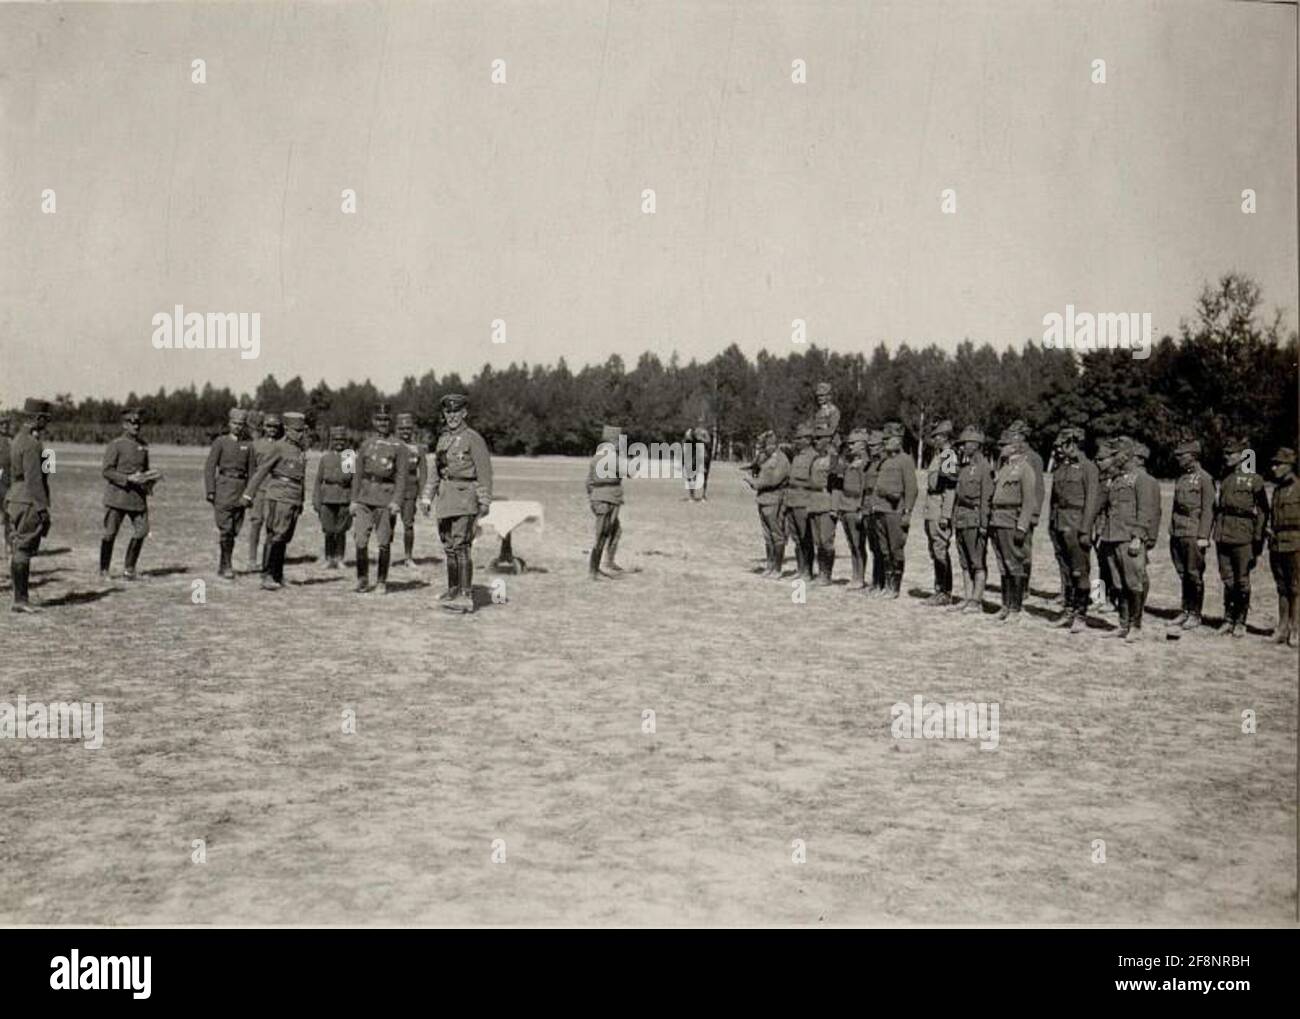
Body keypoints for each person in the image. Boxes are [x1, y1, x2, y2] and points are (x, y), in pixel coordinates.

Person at [420, 393, 492, 613]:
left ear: (464, 413)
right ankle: (452, 590)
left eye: (456, 412)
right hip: (445, 498)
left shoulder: (473, 438)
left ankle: (466, 594)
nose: (452, 416)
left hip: (464, 497)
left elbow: (484, 473)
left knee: (462, 545)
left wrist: (484, 501)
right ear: (444, 414)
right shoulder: (443, 439)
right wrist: (426, 496)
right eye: (448, 412)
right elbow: (435, 472)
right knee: (449, 546)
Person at [1096, 437, 1161, 641]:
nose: (1113, 458)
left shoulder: (1143, 479)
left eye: (1116, 454)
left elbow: (1146, 511)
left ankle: (1136, 625)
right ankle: (1123, 624)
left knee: (1134, 583)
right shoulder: (1117, 479)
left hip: (1129, 538)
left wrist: (1138, 537)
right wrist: (1101, 533)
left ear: (1126, 455)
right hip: (1111, 537)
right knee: (1118, 583)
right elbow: (1109, 509)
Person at [242, 412, 310, 590]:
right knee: (276, 535)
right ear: (287, 429)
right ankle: (267, 575)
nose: (301, 434)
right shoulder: (278, 447)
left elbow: (301, 478)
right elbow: (262, 471)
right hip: (279, 495)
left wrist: (301, 501)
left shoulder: (300, 450)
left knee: (284, 537)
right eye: (297, 430)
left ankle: (278, 575)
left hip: (293, 498)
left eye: (302, 430)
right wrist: (248, 494)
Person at [1212, 436, 1270, 638]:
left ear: (1242, 455)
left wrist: (1257, 537)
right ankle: (1228, 618)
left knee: (1242, 580)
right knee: (1227, 579)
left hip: (1243, 534)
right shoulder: (1224, 477)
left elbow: (1263, 511)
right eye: (1225, 453)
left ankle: (1240, 621)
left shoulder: (1254, 479)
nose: (1226, 456)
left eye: (1231, 453)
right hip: (1223, 532)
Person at [351, 404, 410, 595]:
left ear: (390, 421)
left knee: (384, 541)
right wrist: (353, 499)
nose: (382, 423)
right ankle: (362, 579)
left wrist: (396, 501)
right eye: (379, 419)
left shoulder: (399, 446)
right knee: (360, 539)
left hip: (385, 499)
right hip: (364, 498)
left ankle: (381, 581)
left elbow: (401, 476)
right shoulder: (366, 444)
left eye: (386, 420)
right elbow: (357, 473)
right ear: (373, 421)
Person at [1047, 426, 1099, 632]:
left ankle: (1081, 614)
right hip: (1059, 523)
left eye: (1063, 444)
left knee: (1080, 571)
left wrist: (1086, 530)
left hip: (1077, 524)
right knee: (1066, 570)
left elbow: (1092, 501)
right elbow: (1054, 500)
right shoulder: (1061, 468)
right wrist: (1052, 524)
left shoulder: (1089, 468)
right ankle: (1068, 610)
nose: (1059, 449)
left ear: (1074, 443)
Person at [4, 399, 53, 613]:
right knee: (23, 548)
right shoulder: (32, 444)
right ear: (37, 419)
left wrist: (47, 459)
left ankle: (19, 597)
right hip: (28, 500)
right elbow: (35, 480)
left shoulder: (17, 439)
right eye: (45, 419)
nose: (47, 423)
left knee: (18, 547)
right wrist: (43, 509)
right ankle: (21, 600)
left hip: (15, 497)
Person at [100, 407, 157, 580]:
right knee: (110, 533)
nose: (136, 426)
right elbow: (107, 471)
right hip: (118, 497)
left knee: (142, 531)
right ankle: (104, 570)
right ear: (124, 425)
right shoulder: (116, 444)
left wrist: (150, 480)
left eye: (139, 423)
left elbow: (144, 470)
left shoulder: (143, 446)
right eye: (132, 423)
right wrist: (128, 479)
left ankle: (129, 569)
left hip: (137, 498)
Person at [989, 429, 1037, 622]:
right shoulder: (1004, 468)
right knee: (1002, 565)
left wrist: (1022, 526)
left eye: (1004, 445)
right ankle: (1005, 605)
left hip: (1011, 521)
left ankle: (1016, 609)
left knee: (1014, 564)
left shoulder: (1025, 469)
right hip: (998, 519)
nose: (1001, 448)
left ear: (1015, 446)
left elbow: (1028, 501)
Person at [1168, 439, 1215, 632]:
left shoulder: (1205, 478)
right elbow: (1174, 507)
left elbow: (1208, 509)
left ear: (1193, 456)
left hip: (1194, 532)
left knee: (1194, 574)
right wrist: (1172, 529)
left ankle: (1195, 614)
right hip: (1178, 531)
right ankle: (1185, 609)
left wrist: (1204, 535)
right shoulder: (1182, 478)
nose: (1178, 458)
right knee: (1183, 573)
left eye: (1182, 455)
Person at [204, 407, 255, 580]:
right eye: (235, 423)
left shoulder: (248, 445)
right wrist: (211, 490)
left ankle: (223, 564)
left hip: (240, 490)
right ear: (229, 423)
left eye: (241, 424)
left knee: (234, 530)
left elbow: (252, 473)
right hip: (223, 488)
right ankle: (227, 566)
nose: (238, 427)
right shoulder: (220, 442)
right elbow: (210, 467)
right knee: (225, 528)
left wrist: (249, 495)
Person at [949, 426, 993, 614]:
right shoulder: (964, 468)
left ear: (975, 445)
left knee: (977, 562)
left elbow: (986, 499)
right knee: (964, 561)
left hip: (975, 520)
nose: (962, 447)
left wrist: (984, 524)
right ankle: (967, 597)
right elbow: (957, 497)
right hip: (961, 519)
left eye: (965, 444)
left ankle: (977, 600)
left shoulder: (985, 468)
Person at [872, 422, 918, 598]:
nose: (885, 442)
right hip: (881, 510)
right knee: (884, 550)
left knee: (895, 549)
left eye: (888, 439)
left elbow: (911, 488)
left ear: (898, 440)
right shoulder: (885, 460)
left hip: (895, 512)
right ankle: (886, 585)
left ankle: (895, 588)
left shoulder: (905, 460)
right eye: (884, 439)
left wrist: (907, 512)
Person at [1006, 419, 1045, 595]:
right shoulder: (1010, 456)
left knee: (1024, 551)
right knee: (1012, 550)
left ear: (1023, 437)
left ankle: (1024, 587)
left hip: (1026, 512)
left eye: (1014, 435)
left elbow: (1038, 489)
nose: (1011, 439)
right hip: (1010, 512)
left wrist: (1034, 514)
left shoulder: (1034, 458)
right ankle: (1015, 584)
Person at [1266, 447, 1300, 647]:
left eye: (1278, 464)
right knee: (1281, 588)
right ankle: (1282, 628)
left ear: (1289, 466)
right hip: (1277, 544)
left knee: (1296, 588)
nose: (1273, 467)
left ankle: (1295, 630)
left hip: (1295, 543)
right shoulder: (1278, 490)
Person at [745, 430, 790, 578]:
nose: (764, 449)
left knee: (776, 534)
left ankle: (777, 568)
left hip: (775, 500)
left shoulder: (780, 460)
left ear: (773, 445)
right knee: (767, 535)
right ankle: (770, 566)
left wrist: (753, 483)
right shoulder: (768, 458)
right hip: (764, 499)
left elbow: (773, 480)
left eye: (766, 446)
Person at [922, 419, 958, 605]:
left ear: (944, 437)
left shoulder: (948, 456)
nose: (933, 439)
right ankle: (939, 588)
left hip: (939, 507)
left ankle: (945, 591)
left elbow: (950, 489)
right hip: (932, 506)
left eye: (936, 436)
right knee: (934, 550)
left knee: (940, 549)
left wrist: (946, 514)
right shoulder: (939, 456)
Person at [831, 429, 869, 589]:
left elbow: (864, 488)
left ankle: (859, 577)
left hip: (855, 508)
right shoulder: (849, 462)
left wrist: (861, 508)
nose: (850, 446)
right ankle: (855, 575)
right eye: (850, 443)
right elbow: (836, 475)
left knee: (858, 544)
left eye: (854, 443)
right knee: (852, 544)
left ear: (862, 445)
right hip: (846, 507)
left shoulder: (865, 464)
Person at [586, 425, 625, 579]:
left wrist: (593, 497)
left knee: (614, 531)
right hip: (607, 499)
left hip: (604, 498)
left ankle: (606, 563)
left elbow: (588, 482)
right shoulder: (611, 458)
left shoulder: (598, 457)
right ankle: (593, 570)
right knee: (601, 534)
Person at [247, 412, 283, 573]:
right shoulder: (255, 445)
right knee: (256, 522)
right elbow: (251, 470)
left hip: (275, 490)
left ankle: (267, 560)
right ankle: (252, 559)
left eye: (275, 426)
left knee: (272, 525)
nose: (272, 429)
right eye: (269, 426)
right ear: (263, 427)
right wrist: (250, 492)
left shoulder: (282, 445)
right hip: (259, 489)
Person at [313, 425, 353, 568]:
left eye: (342, 439)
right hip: (327, 498)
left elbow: (350, 479)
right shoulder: (325, 457)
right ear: (332, 440)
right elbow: (318, 480)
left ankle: (340, 558)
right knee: (328, 530)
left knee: (341, 530)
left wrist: (353, 500)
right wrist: (316, 500)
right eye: (336, 439)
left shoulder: (348, 456)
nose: (339, 442)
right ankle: (329, 558)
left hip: (343, 498)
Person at [783, 423, 817, 581]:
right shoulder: (796, 457)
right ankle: (800, 568)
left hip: (804, 501)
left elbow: (814, 482)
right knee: (796, 538)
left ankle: (808, 571)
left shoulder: (814, 457)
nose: (796, 441)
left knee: (806, 538)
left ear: (808, 440)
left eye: (799, 438)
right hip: (792, 499)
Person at [395, 412, 428, 569]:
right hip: (392, 491)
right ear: (397, 429)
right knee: (387, 524)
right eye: (402, 429)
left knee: (408, 524)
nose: (405, 432)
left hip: (410, 491)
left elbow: (423, 473)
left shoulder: (418, 449)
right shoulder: (391, 445)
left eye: (408, 428)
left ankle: (408, 557)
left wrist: (423, 496)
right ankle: (386, 555)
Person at [806, 423, 837, 585]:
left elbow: (838, 483)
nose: (815, 441)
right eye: (814, 438)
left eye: (819, 438)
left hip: (826, 502)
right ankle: (821, 573)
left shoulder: (834, 459)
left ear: (827, 439)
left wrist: (835, 507)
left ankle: (827, 574)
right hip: (814, 502)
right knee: (817, 540)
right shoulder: (815, 458)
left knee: (826, 541)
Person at [862, 430, 887, 595]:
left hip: (879, 508)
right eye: (869, 446)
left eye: (875, 445)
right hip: (868, 508)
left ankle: (882, 583)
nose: (871, 449)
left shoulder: (885, 463)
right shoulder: (870, 464)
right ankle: (875, 581)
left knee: (881, 548)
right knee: (873, 548)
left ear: (882, 445)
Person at [0, 412, 12, 557]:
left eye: (6, 424)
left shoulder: (11, 441)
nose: (4, 426)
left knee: (9, 517)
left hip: (7, 483)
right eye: (2, 424)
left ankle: (8, 546)